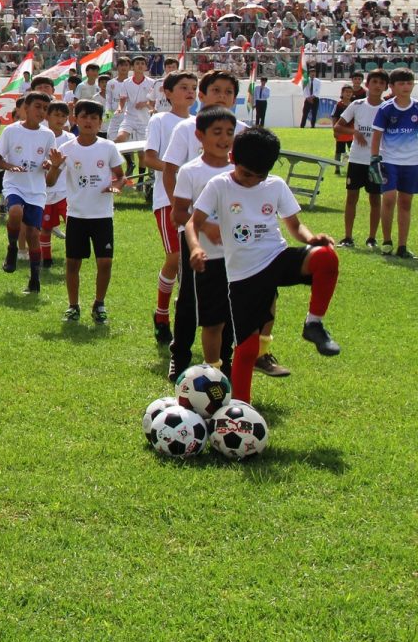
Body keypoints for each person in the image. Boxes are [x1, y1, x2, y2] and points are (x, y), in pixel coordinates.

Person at [191, 127, 341, 405]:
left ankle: (314, 324)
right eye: (246, 174)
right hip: (244, 276)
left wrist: (311, 239)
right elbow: (193, 223)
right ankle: (241, 408)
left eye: (258, 177)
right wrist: (196, 247)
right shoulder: (219, 185)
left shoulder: (275, 186)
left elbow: (294, 226)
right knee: (247, 349)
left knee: (326, 257)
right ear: (233, 157)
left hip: (276, 257)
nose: (251, 182)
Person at [172, 106, 241, 381]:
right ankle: (180, 358)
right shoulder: (191, 171)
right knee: (191, 305)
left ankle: (224, 364)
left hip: (233, 254)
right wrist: (207, 227)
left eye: (229, 133)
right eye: (217, 133)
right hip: (198, 251)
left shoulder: (239, 171)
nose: (224, 139)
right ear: (200, 136)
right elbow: (178, 212)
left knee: (229, 308)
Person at [46, 99, 124, 324]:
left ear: (100, 122)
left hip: (102, 216)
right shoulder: (66, 149)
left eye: (94, 118)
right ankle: (73, 306)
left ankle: (99, 303)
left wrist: (115, 187)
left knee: (105, 262)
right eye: (84, 117)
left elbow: (120, 175)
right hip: (77, 216)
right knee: (73, 263)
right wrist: (54, 165)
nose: (88, 121)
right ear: (76, 119)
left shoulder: (108, 147)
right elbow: (50, 182)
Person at [139, 71, 199, 345]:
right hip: (168, 199)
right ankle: (162, 314)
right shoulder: (160, 120)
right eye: (184, 87)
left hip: (198, 203)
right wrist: (178, 171)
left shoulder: (200, 123)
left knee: (194, 261)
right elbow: (149, 158)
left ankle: (187, 313)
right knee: (175, 257)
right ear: (167, 92)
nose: (190, 92)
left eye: (194, 87)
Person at [0, 91, 57, 294]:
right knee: (15, 213)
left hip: (36, 190)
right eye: (37, 106)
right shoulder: (11, 131)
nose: (41, 111)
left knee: (33, 235)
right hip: (14, 185)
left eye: (45, 109)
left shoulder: (48, 135)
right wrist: (10, 166)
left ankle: (34, 280)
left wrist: (49, 163)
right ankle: (12, 248)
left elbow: (50, 160)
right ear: (25, 108)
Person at [335, 69, 388, 250]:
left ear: (386, 87)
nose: (378, 86)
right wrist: (354, 132)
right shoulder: (357, 105)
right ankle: (348, 237)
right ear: (367, 84)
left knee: (375, 200)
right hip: (356, 159)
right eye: (375, 82)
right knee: (352, 197)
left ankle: (372, 238)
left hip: (377, 161)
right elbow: (337, 127)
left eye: (382, 83)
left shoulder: (387, 108)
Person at [369, 66, 418, 258]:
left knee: (406, 203)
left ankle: (402, 246)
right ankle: (387, 240)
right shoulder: (386, 109)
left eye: (409, 83)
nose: (406, 87)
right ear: (392, 87)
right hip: (389, 160)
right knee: (389, 199)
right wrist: (374, 160)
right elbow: (376, 136)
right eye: (401, 83)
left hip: (412, 163)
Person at [35, 100, 73, 268]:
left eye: (63, 116)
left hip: (65, 191)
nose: (60, 119)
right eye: (56, 115)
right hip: (45, 192)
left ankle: (73, 256)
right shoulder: (40, 136)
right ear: (47, 116)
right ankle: (47, 258)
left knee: (71, 225)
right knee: (46, 227)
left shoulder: (70, 138)